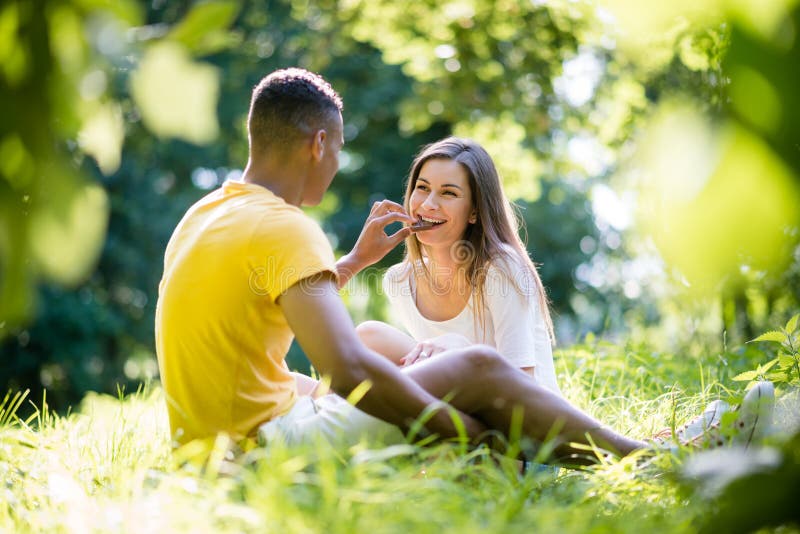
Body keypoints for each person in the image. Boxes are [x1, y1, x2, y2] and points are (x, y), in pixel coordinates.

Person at [154, 68, 769, 465]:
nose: (337, 162)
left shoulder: (207, 216)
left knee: (388, 345)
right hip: (265, 449)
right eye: (337, 148)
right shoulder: (286, 227)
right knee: (473, 364)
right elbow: (343, 369)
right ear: (319, 143)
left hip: (216, 445)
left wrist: (351, 263)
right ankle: (653, 462)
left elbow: (265, 310)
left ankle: (647, 449)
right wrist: (465, 431)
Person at [355, 137, 560, 395]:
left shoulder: (501, 268)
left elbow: (523, 388)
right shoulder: (399, 281)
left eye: (448, 193)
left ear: (474, 211)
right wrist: (357, 259)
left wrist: (459, 349)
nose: (428, 204)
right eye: (422, 187)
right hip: (454, 407)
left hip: (521, 415)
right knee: (366, 341)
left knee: (371, 335)